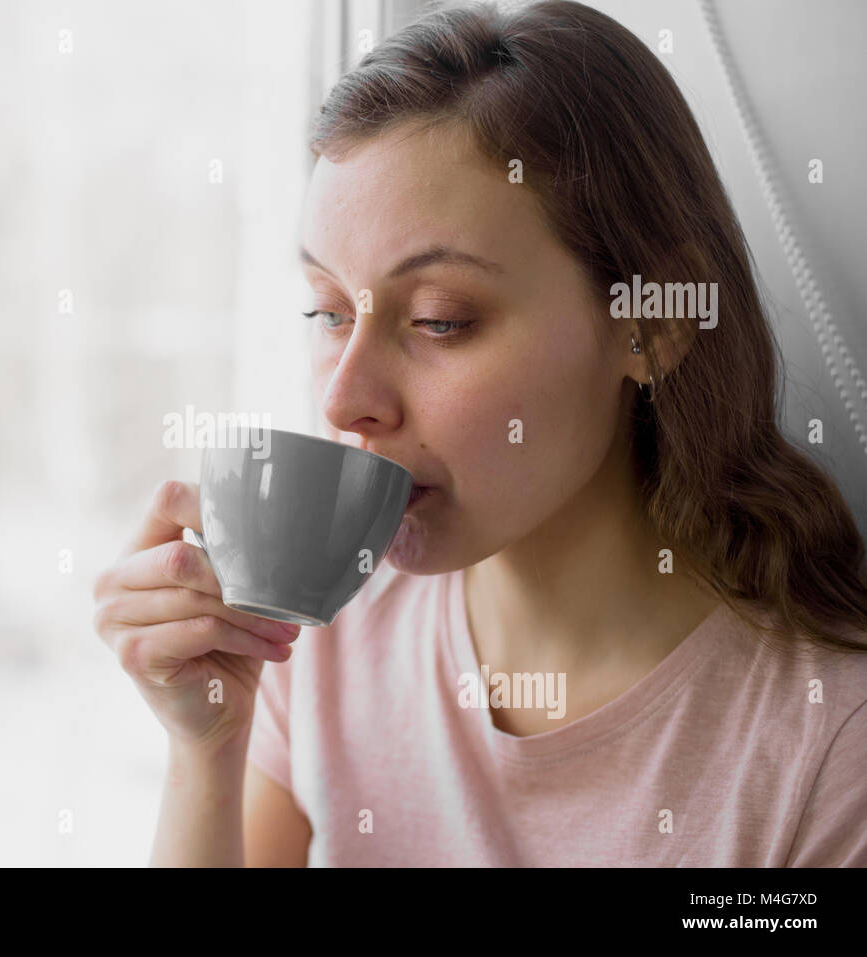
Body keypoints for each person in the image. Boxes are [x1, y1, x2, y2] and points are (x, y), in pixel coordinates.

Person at [91, 0, 867, 866]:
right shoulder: (322, 640)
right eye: (328, 311)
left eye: (440, 319)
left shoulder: (828, 748)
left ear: (652, 323)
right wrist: (204, 751)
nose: (345, 401)